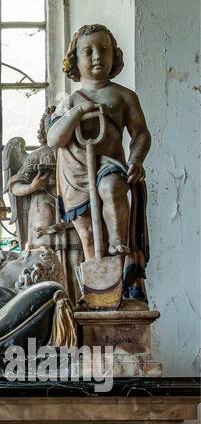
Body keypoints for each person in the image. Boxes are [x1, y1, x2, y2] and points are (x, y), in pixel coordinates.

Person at [47, 24, 150, 299]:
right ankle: (100, 294)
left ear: (113, 56)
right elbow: (54, 138)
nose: (96, 57)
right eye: (88, 51)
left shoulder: (123, 96)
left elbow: (140, 134)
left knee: (112, 188)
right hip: (76, 174)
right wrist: (78, 112)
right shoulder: (69, 102)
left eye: (103, 50)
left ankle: (120, 252)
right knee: (90, 239)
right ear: (75, 60)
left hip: (109, 166)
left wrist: (136, 159)